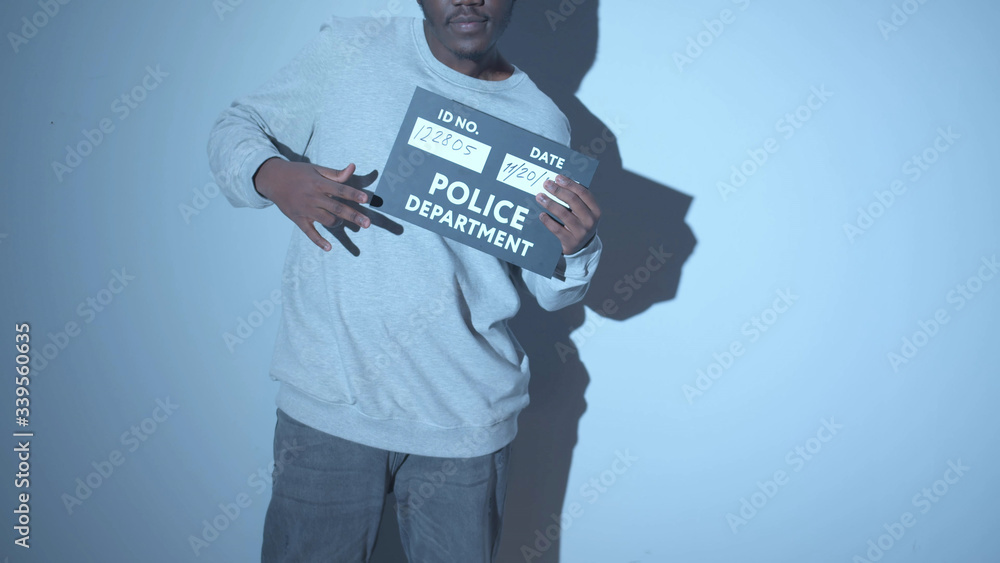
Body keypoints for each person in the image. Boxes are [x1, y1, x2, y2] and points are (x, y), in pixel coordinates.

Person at [206, 1, 603, 561]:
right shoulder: (350, 46)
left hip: (464, 422)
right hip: (330, 404)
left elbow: (549, 285)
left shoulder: (542, 120)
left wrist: (579, 248)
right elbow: (235, 127)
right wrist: (274, 176)